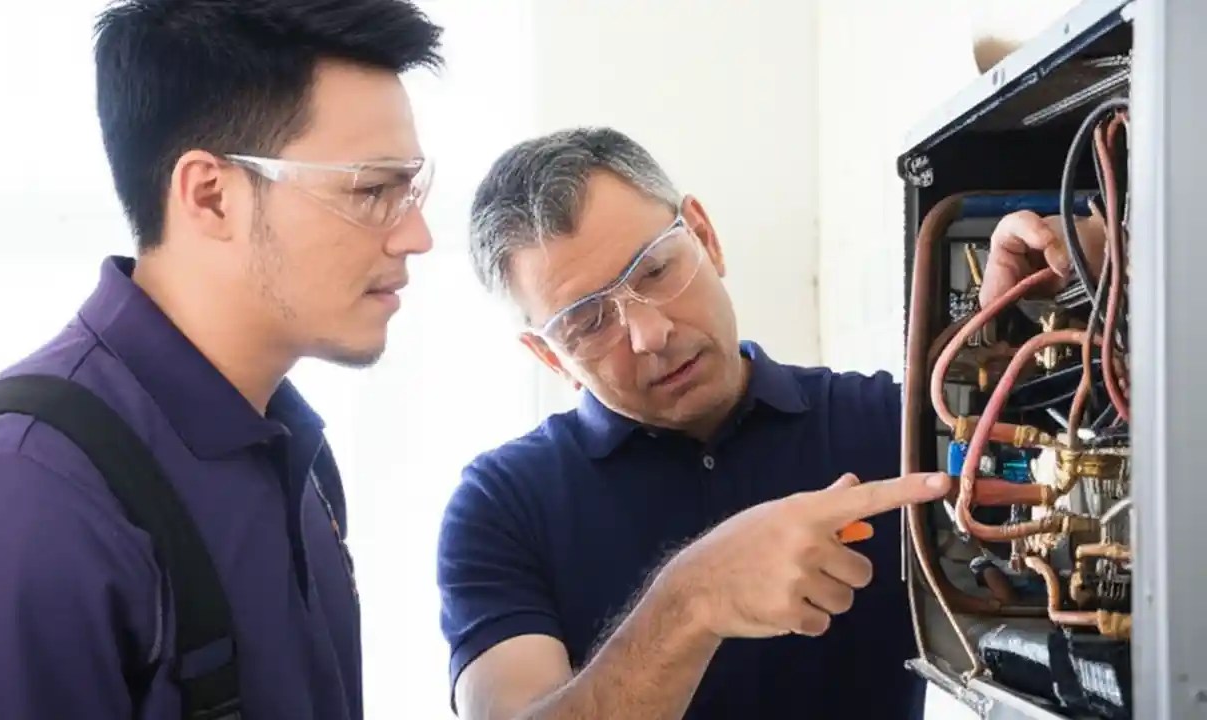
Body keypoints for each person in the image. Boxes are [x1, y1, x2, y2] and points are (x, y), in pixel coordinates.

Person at [437, 127, 1093, 719]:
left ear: (706, 236)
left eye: (657, 269)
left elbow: (1055, 475)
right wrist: (691, 600)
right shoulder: (500, 506)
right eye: (587, 322)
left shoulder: (892, 428)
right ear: (549, 356)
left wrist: (1071, 288)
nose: (650, 333)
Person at [0, 1, 440, 718]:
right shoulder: (24, 500)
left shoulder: (296, 456)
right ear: (211, 195)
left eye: (411, 188)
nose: (416, 235)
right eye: (372, 191)